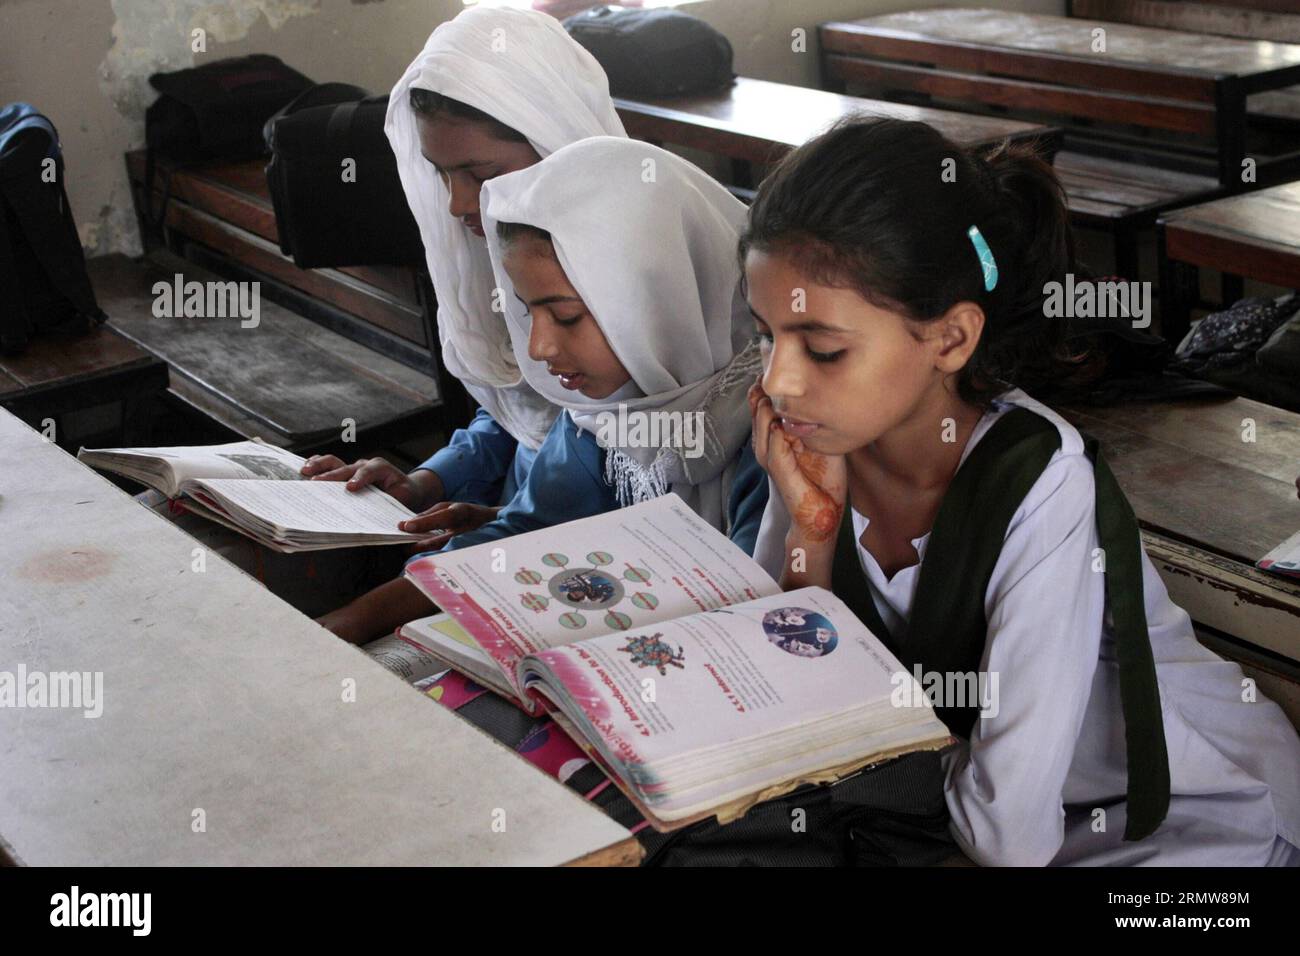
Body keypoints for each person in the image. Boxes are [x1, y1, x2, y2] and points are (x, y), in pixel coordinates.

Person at [744, 117, 1300, 866]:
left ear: (950, 339)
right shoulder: (819, 439)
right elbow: (775, 699)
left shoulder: (1042, 485)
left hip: (1174, 814)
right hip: (974, 811)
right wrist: (810, 539)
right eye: (764, 334)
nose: (778, 379)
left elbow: (1007, 838)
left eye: (823, 348)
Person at [317, 138, 767, 644]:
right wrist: (352, 621)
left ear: (658, 296)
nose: (538, 347)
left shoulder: (768, 421)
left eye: (568, 316)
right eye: (529, 313)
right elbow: (522, 533)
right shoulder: (601, 413)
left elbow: (750, 609)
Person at [301, 4, 627, 550]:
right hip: (513, 520)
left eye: (481, 174)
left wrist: (504, 519)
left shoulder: (640, 274)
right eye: (441, 174)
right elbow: (516, 410)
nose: (456, 203)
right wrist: (427, 482)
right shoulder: (499, 250)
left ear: (554, 141)